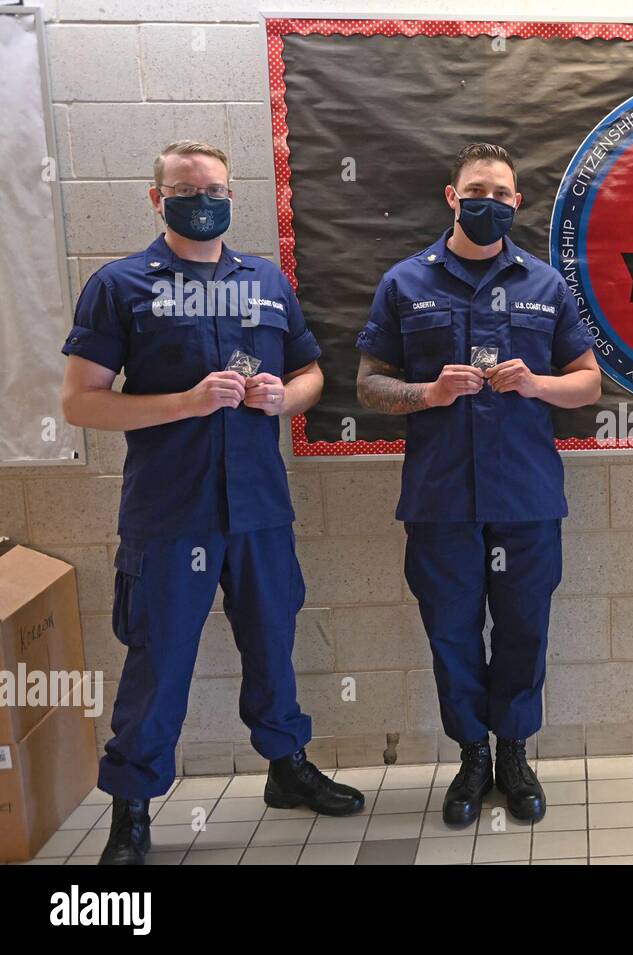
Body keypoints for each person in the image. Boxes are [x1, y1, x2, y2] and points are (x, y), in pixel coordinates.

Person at [61, 140, 364, 866]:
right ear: (156, 196)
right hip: (170, 515)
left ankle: (286, 768)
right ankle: (131, 810)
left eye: (216, 187)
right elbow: (80, 404)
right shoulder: (121, 285)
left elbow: (311, 374)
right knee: (158, 660)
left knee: (272, 642)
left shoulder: (265, 281)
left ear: (233, 193)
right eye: (188, 187)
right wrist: (186, 403)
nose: (205, 197)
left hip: (259, 508)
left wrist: (280, 398)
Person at [355, 143, 599, 828]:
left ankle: (515, 753)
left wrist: (536, 383)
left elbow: (587, 382)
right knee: (452, 633)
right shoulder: (405, 282)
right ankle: (471, 757)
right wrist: (428, 392)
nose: (487, 199)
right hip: (440, 500)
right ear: (451, 196)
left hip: (525, 498)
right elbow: (368, 384)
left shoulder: (546, 286)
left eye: (501, 190)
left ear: (517, 202)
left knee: (523, 630)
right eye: (475, 189)